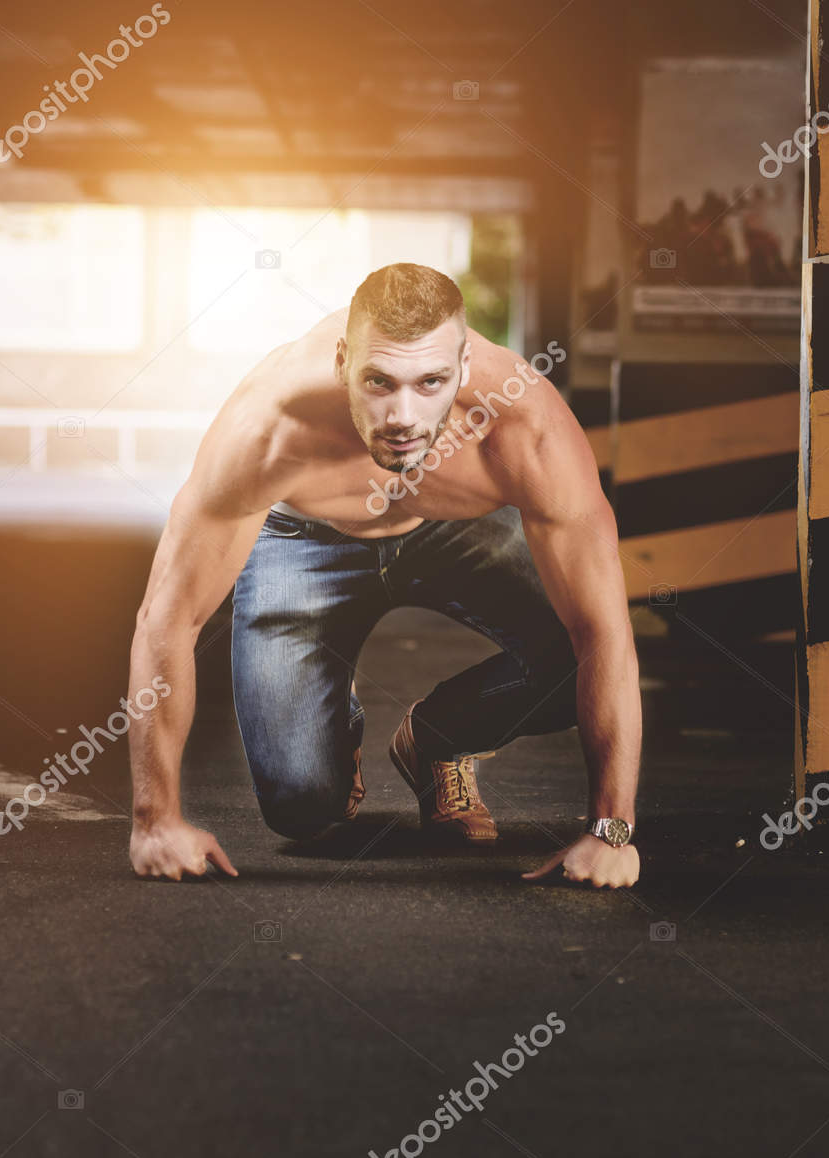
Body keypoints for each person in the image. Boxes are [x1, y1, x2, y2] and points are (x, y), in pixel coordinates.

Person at [127, 263, 641, 889]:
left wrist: (610, 829)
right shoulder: (271, 426)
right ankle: (324, 728)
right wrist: (156, 819)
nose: (402, 415)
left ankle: (437, 738)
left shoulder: (523, 425)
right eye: (378, 381)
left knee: (575, 655)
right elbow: (168, 617)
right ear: (343, 360)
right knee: (301, 807)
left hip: (456, 527)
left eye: (431, 382)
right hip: (304, 538)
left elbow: (604, 629)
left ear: (465, 365)